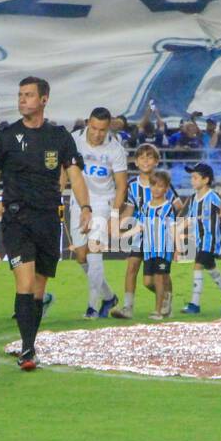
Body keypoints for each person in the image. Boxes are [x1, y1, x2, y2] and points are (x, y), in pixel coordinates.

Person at [0, 76, 91, 371]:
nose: (22, 100)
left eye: (28, 95)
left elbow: (75, 174)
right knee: (25, 283)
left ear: (44, 99)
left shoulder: (59, 137)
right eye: (20, 95)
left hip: (48, 219)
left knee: (39, 289)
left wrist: (86, 207)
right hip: (17, 218)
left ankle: (29, 343)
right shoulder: (5, 138)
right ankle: (28, 350)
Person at [72, 107, 128, 318]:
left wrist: (114, 215)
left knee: (94, 251)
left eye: (102, 130)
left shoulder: (115, 149)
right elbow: (63, 169)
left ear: (108, 128)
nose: (97, 134)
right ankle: (109, 297)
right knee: (80, 256)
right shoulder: (74, 140)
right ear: (88, 123)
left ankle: (92, 307)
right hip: (78, 201)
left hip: (103, 203)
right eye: (94, 128)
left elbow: (121, 185)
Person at [110, 143, 175, 320]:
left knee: (155, 279)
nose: (145, 160)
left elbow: (177, 206)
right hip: (140, 234)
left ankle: (166, 298)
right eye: (141, 157)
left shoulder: (162, 182)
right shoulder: (132, 186)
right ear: (136, 162)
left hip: (159, 238)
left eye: (149, 157)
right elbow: (130, 210)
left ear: (156, 161)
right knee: (131, 266)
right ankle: (127, 308)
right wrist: (117, 225)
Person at [180, 163, 221, 314]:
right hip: (200, 241)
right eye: (191, 177)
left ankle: (194, 304)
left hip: (210, 241)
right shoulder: (194, 199)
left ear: (206, 180)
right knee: (212, 269)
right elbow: (190, 219)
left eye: (195, 177)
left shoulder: (212, 196)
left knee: (198, 266)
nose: (192, 180)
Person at [120, 170, 177, 320]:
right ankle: (166, 302)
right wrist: (122, 235)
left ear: (166, 188)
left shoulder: (168, 207)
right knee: (148, 282)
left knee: (159, 278)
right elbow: (140, 225)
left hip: (163, 250)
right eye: (153, 186)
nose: (156, 189)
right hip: (148, 250)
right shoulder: (145, 206)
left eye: (160, 186)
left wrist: (177, 249)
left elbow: (173, 228)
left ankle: (158, 312)